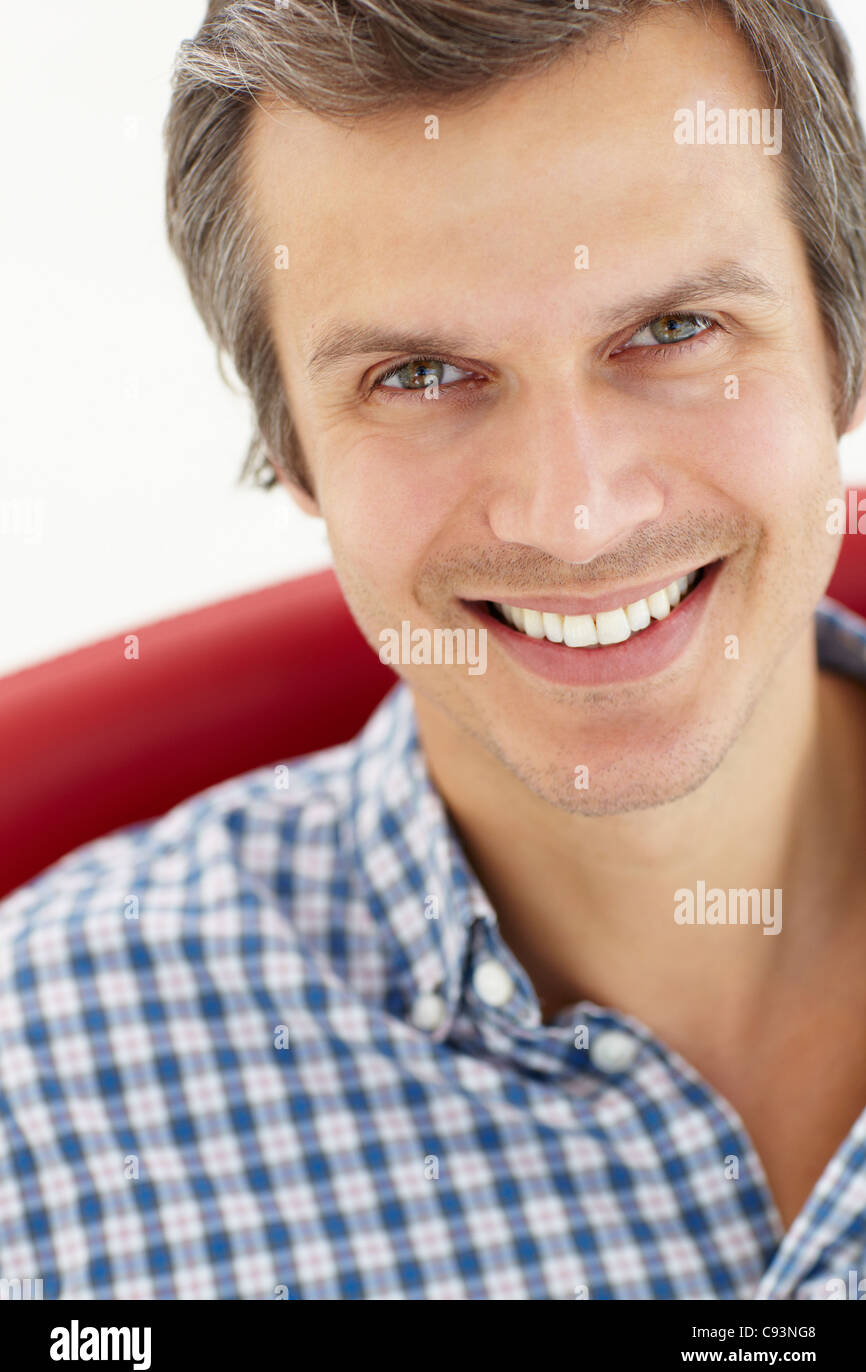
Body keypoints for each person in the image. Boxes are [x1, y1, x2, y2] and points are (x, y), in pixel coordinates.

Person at [2, 0, 866, 1300]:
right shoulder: (35, 1111)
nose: (575, 518)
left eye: (674, 331)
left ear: (837, 351)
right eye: (417, 375)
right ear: (292, 447)